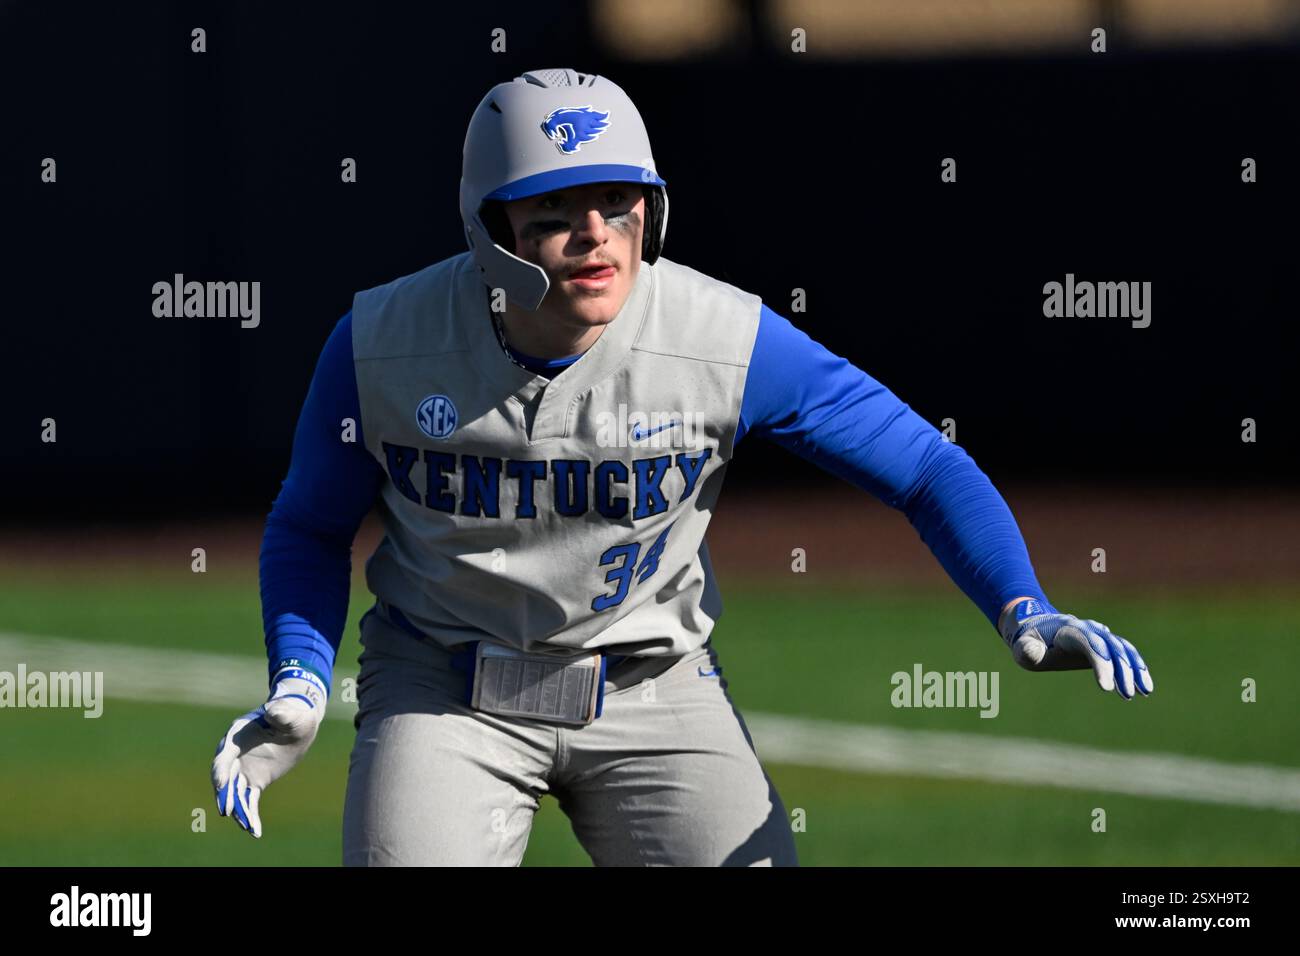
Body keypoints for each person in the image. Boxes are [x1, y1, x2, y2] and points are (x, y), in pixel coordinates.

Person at [211, 68, 1153, 867]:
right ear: (488, 227)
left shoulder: (719, 337)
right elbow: (311, 525)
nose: (597, 234)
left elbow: (922, 468)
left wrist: (1022, 606)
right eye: (556, 210)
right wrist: (299, 681)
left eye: (617, 202)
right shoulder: (381, 342)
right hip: (444, 690)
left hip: (654, 684)